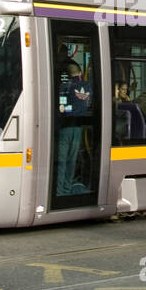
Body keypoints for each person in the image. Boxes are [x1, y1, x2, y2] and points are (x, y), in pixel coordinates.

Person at [56, 61, 90, 196]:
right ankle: (67, 187)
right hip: (79, 127)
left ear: (68, 75)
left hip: (65, 127)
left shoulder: (65, 86)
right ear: (80, 73)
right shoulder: (87, 86)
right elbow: (87, 104)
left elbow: (62, 108)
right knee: (72, 159)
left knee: (62, 160)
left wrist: (69, 109)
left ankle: (60, 191)